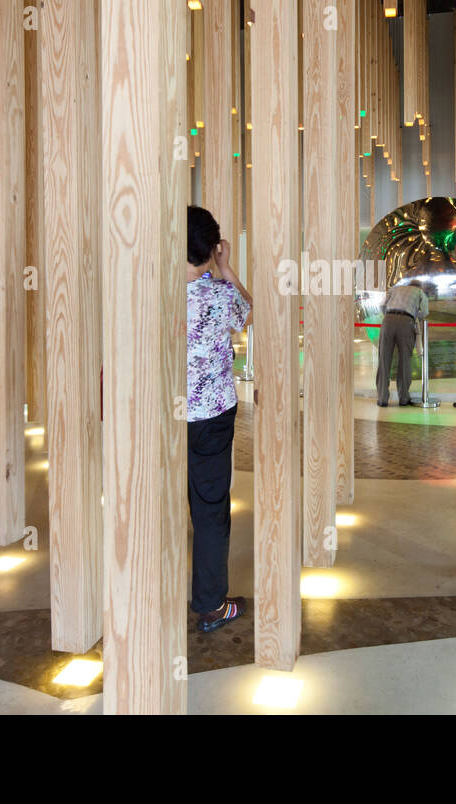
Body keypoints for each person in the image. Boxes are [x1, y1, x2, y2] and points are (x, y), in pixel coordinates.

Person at [186, 205, 252, 633]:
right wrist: (227, 268)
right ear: (212, 248)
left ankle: (140, 589)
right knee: (209, 508)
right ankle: (210, 605)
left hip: (160, 414)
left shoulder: (148, 292)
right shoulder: (219, 294)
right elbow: (248, 311)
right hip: (210, 416)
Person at [376, 278, 430, 406]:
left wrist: (389, 316)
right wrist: (415, 316)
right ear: (420, 286)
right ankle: (404, 398)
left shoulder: (395, 289)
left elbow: (382, 305)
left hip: (388, 320)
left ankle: (382, 399)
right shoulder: (420, 293)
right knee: (405, 360)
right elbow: (425, 312)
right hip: (407, 321)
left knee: (383, 359)